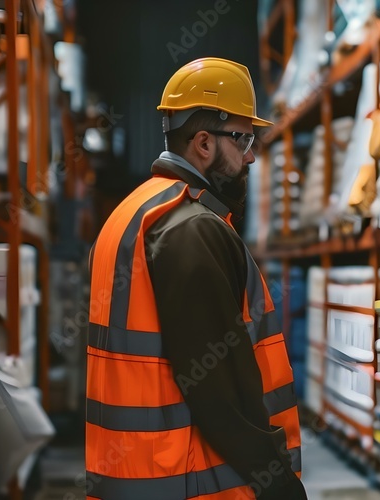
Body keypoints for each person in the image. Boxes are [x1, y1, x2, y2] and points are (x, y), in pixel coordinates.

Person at [85, 57, 306, 499]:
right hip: (192, 481)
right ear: (203, 143)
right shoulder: (191, 229)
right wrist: (278, 482)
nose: (251, 155)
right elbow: (219, 389)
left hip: (138, 478)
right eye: (243, 139)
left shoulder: (131, 214)